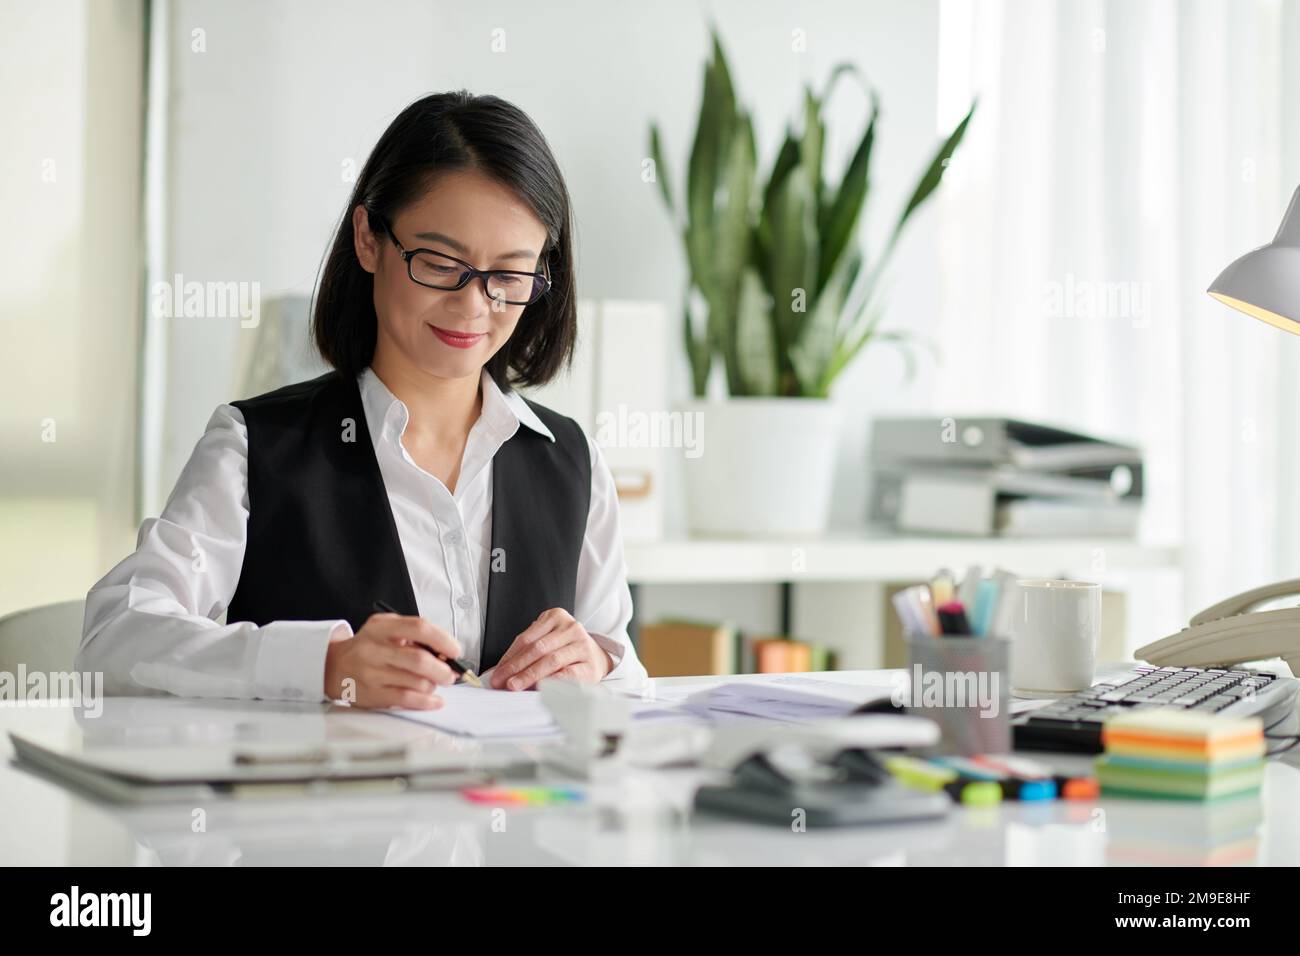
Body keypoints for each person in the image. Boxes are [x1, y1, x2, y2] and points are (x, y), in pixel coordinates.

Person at [78, 90, 649, 710]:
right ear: (369, 239)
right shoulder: (255, 448)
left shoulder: (573, 461)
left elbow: (627, 686)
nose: (474, 303)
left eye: (509, 275)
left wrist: (596, 661)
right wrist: (321, 665)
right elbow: (114, 636)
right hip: (318, 805)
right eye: (439, 261)